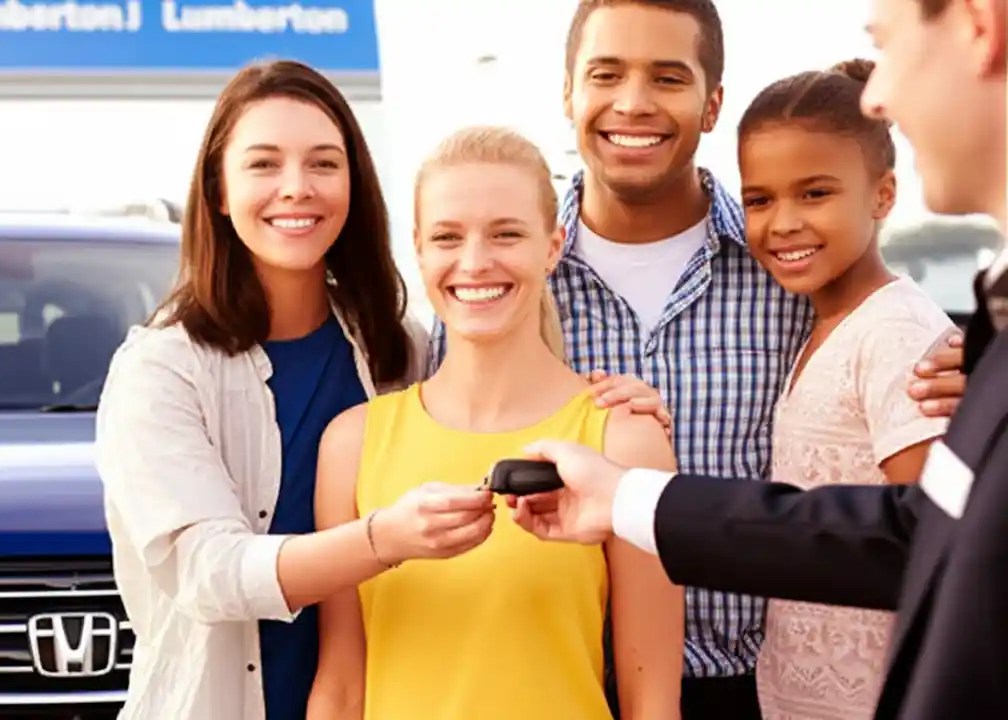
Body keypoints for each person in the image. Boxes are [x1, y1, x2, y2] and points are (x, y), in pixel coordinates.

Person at [93, 60, 673, 720]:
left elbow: (490, 386)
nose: (296, 189)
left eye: (323, 163)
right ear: (218, 192)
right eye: (262, 164)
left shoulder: (396, 347)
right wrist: (385, 540)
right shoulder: (163, 371)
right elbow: (209, 574)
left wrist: (617, 415)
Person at [430, 4, 966, 716]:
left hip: (762, 690)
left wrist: (983, 372)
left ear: (712, 104)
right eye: (606, 74)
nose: (633, 102)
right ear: (568, 93)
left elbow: (891, 361)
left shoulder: (794, 267)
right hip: (560, 681)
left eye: (668, 77)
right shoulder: (500, 280)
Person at [307, 126, 683, 720]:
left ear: (553, 246)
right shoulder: (351, 444)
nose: (475, 262)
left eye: (506, 234)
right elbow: (342, 684)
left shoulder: (623, 439)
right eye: (447, 237)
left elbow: (653, 698)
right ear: (419, 250)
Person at [735, 60, 955, 719]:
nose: (783, 223)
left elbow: (928, 549)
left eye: (814, 193)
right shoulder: (820, 327)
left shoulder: (896, 334)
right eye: (759, 199)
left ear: (882, 195)